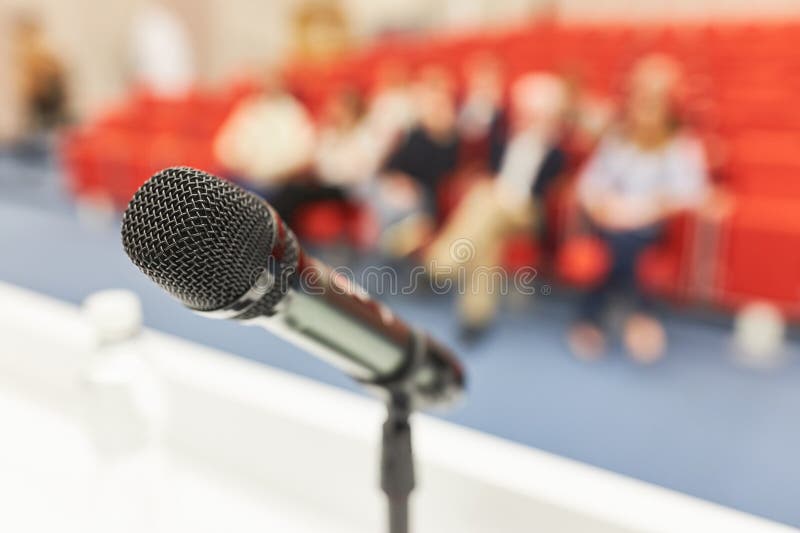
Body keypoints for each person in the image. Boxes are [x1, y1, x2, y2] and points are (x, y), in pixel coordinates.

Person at [568, 54, 710, 363]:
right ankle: (641, 318)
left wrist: (645, 208)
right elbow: (588, 183)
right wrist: (598, 203)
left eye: (653, 105)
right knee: (619, 239)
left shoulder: (681, 146)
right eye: (640, 103)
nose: (645, 112)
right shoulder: (617, 140)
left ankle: (594, 318)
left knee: (627, 240)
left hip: (650, 225)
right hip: (608, 220)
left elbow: (691, 194)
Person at [424, 73, 570, 341]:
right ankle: (475, 317)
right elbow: (489, 170)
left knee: (484, 200)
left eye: (534, 113)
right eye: (524, 112)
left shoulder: (556, 149)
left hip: (526, 212)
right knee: (487, 236)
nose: (526, 118)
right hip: (494, 209)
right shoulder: (503, 139)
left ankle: (440, 266)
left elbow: (550, 195)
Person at [378, 66, 461, 257]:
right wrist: (399, 179)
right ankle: (392, 248)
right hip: (401, 187)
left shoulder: (448, 137)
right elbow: (392, 164)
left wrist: (441, 131)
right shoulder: (416, 131)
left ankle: (401, 243)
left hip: (423, 193)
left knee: (401, 208)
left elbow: (441, 172)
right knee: (385, 196)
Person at [214, 68, 316, 191]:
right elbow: (226, 146)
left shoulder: (294, 111)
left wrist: (275, 172)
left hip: (283, 182)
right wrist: (243, 165)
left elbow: (303, 151)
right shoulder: (249, 108)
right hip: (245, 179)